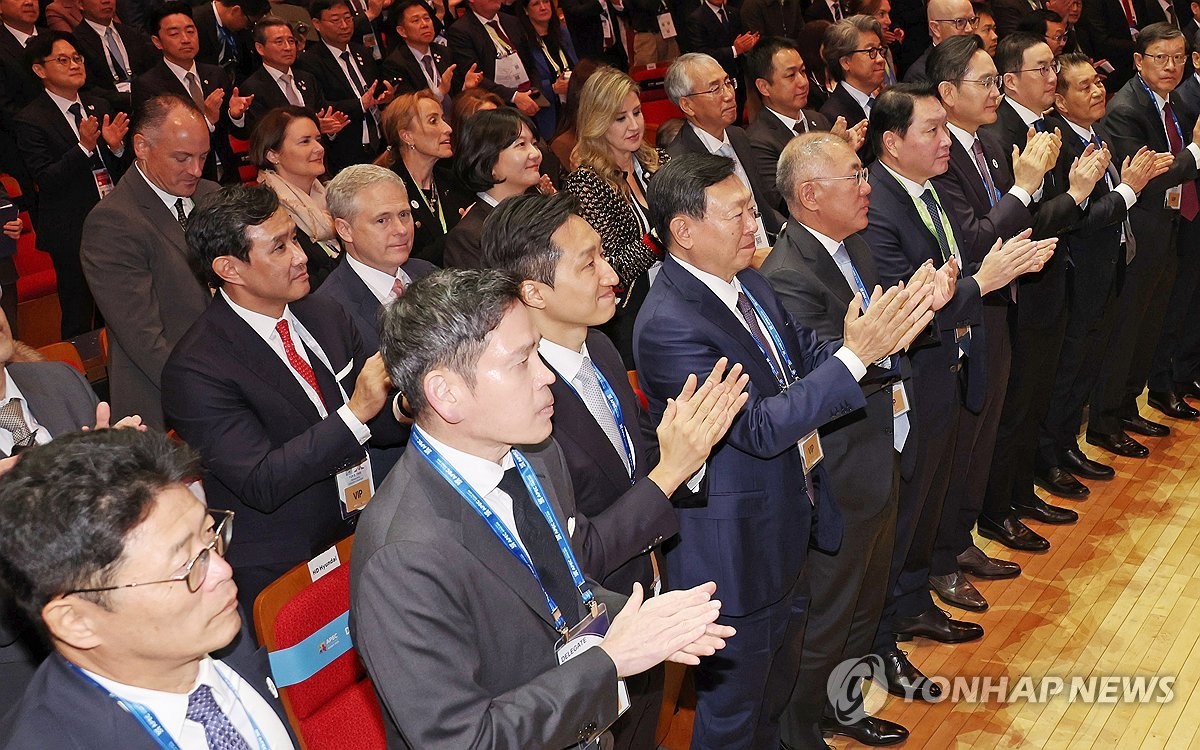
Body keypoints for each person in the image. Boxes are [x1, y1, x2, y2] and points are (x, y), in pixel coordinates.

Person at [352, 267, 737, 748]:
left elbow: (566, 586)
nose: (546, 375)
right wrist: (611, 661)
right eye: (521, 361)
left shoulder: (537, 454)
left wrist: (646, 621)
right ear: (446, 394)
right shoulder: (404, 554)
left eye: (538, 350)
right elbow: (464, 740)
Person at [635, 152, 937, 750]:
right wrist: (856, 356)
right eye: (738, 213)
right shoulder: (669, 324)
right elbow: (758, 428)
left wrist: (875, 345)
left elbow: (802, 350)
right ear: (684, 232)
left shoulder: (746, 281)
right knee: (733, 718)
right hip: (733, 554)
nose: (755, 224)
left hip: (786, 520)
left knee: (774, 693)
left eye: (752, 208)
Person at [483, 191, 750, 750]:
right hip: (586, 634)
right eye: (589, 262)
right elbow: (573, 552)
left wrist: (686, 455)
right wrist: (670, 474)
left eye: (604, 254)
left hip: (644, 593)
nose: (612, 273)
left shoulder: (601, 347)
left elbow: (643, 460)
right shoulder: (520, 408)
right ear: (532, 290)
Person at [861, 83, 1053, 701]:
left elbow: (951, 266)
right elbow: (909, 304)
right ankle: (886, 633)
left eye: (946, 129)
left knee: (934, 494)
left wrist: (979, 278)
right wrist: (985, 281)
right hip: (915, 376)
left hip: (953, 363)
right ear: (891, 142)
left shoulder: (923, 189)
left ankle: (914, 599)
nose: (946, 141)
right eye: (932, 131)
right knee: (910, 505)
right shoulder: (880, 202)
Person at [161, 184, 407, 615]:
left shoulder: (324, 314)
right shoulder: (197, 368)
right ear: (229, 269)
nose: (300, 256)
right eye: (279, 247)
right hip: (286, 563)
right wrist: (355, 413)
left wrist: (403, 406)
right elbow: (262, 480)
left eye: (294, 238)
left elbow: (378, 426)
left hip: (366, 527)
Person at [760, 132, 917, 750]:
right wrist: (892, 334)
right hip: (841, 467)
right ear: (808, 195)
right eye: (854, 175)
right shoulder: (788, 274)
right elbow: (830, 365)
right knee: (829, 615)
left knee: (865, 601)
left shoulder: (854, 246)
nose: (867, 185)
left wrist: (913, 312)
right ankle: (803, 733)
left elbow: (878, 334)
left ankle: (845, 708)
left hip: (880, 446)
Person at [0, 429, 299, 750]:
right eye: (184, 564)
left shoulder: (216, 621)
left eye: (209, 534)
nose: (222, 570)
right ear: (76, 621)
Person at [925, 34, 1081, 572]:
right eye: (985, 82)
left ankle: (969, 532)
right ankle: (949, 548)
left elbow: (1014, 221)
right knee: (967, 436)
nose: (995, 92)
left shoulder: (987, 142)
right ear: (947, 91)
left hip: (1003, 301)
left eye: (996, 80)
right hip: (969, 310)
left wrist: (1028, 193)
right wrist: (1024, 189)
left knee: (989, 427)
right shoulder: (940, 155)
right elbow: (975, 239)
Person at [1037, 53, 1168, 493]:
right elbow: (1080, 217)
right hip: (1077, 276)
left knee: (1087, 365)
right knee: (1067, 370)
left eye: (1097, 82)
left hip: (1108, 270)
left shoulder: (1096, 136)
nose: (1097, 91)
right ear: (1058, 100)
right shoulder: (1058, 147)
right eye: (1083, 86)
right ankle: (1049, 457)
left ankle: (1068, 444)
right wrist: (1130, 188)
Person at [1089, 23, 1200, 458]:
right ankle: (1104, 422)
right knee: (1127, 328)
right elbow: (1149, 177)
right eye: (1160, 58)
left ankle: (1129, 405)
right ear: (1138, 62)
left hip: (1169, 228)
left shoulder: (1170, 102)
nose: (1171, 66)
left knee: (1153, 324)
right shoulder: (1126, 109)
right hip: (1138, 234)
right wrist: (1195, 154)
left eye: (1178, 57)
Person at [80, 93, 217, 430]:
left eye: (202, 156)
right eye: (182, 158)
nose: (195, 170)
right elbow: (146, 339)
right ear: (141, 147)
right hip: (163, 402)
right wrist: (215, 392)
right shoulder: (113, 222)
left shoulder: (211, 195)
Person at [15, 31, 131, 340]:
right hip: (70, 228)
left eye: (77, 58)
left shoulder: (98, 104)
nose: (74, 65)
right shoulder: (31, 119)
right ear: (40, 70)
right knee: (80, 311)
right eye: (62, 60)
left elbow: (121, 165)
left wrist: (117, 149)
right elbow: (46, 180)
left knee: (121, 303)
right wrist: (83, 148)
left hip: (114, 218)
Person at [563, 67, 666, 367]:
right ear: (597, 122)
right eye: (620, 118)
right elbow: (611, 268)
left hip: (678, 294)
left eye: (637, 112)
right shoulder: (587, 182)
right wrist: (660, 238)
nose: (634, 125)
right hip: (631, 315)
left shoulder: (659, 161)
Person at [664, 53, 785, 248]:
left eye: (728, 83)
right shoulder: (679, 161)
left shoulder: (738, 136)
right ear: (687, 105)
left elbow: (762, 204)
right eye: (715, 89)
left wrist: (787, 232)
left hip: (765, 244)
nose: (729, 95)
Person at [131, 1, 252, 184]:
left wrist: (235, 116)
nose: (186, 39)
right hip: (185, 179)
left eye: (190, 31)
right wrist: (206, 121)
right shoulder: (148, 85)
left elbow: (238, 132)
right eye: (174, 33)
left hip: (227, 174)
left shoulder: (216, 74)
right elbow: (162, 140)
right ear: (157, 41)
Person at [319, 163, 436, 349]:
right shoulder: (331, 312)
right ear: (345, 230)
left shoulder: (428, 272)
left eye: (404, 214)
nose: (401, 229)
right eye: (382, 220)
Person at [445, 107, 552, 268]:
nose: (536, 153)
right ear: (488, 161)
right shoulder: (470, 237)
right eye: (521, 144)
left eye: (534, 143)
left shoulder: (542, 214)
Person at [297, 0, 396, 171]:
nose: (344, 25)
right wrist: (360, 104)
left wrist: (384, 97)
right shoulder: (309, 61)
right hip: (344, 148)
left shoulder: (362, 52)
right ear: (317, 24)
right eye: (335, 20)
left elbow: (373, 90)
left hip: (379, 142)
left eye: (348, 18)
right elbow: (320, 106)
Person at [250, 105, 341, 289]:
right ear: (273, 155)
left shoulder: (334, 196)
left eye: (318, 139)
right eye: (305, 142)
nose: (319, 148)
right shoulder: (265, 212)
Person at [377, 90, 473, 265]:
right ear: (407, 136)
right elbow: (404, 263)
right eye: (433, 121)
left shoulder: (454, 182)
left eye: (443, 119)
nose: (448, 128)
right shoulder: (386, 192)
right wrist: (460, 232)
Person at [745, 37, 834, 213]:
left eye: (803, 71)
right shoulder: (758, 141)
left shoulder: (819, 119)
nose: (803, 82)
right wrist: (833, 158)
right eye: (791, 75)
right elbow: (783, 203)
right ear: (764, 87)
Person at [241, 15, 349, 136]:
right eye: (279, 42)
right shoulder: (253, 88)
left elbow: (321, 117)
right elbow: (262, 135)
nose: (288, 47)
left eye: (291, 41)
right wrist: (310, 127)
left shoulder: (307, 79)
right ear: (260, 48)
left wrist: (329, 128)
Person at [445, 0, 543, 120]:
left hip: (528, 98)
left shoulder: (512, 21)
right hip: (496, 109)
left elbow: (530, 63)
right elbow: (475, 77)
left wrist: (535, 91)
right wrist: (514, 96)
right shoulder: (460, 31)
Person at [381, 0, 480, 105]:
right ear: (402, 31)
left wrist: (466, 87)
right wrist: (440, 91)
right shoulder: (395, 65)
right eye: (416, 21)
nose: (424, 24)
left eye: (427, 18)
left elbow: (456, 96)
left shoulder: (444, 52)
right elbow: (409, 108)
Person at [71, 0, 159, 113]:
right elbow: (88, 88)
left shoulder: (131, 33)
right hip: (109, 110)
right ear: (80, 4)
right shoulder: (75, 41)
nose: (106, 1)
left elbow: (151, 68)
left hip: (146, 102)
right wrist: (129, 98)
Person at [821, 15, 887, 163]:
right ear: (845, 62)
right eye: (871, 52)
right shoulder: (832, 117)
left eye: (880, 51)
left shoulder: (883, 101)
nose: (880, 59)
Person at [683, 0, 758, 118]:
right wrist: (734, 50)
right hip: (714, 80)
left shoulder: (733, 13)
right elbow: (701, 54)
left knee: (737, 115)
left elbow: (741, 42)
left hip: (738, 76)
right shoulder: (696, 18)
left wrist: (748, 44)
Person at [518, 0, 576, 140]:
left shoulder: (562, 32)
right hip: (547, 115)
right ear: (526, 10)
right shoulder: (522, 40)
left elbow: (576, 63)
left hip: (573, 107)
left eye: (546, 2)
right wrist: (552, 88)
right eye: (536, 4)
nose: (543, 7)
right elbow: (525, 82)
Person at [192, 0, 269, 83]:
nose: (248, 28)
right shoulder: (195, 21)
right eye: (249, 23)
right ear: (236, 10)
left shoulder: (239, 30)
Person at [903, 0, 978, 83]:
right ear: (935, 28)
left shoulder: (979, 59)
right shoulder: (921, 75)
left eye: (972, 20)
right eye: (960, 22)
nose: (969, 29)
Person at [561, 0, 626, 71]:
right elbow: (577, 14)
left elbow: (624, 13)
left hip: (615, 51)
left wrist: (617, 4)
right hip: (592, 56)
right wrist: (601, 2)